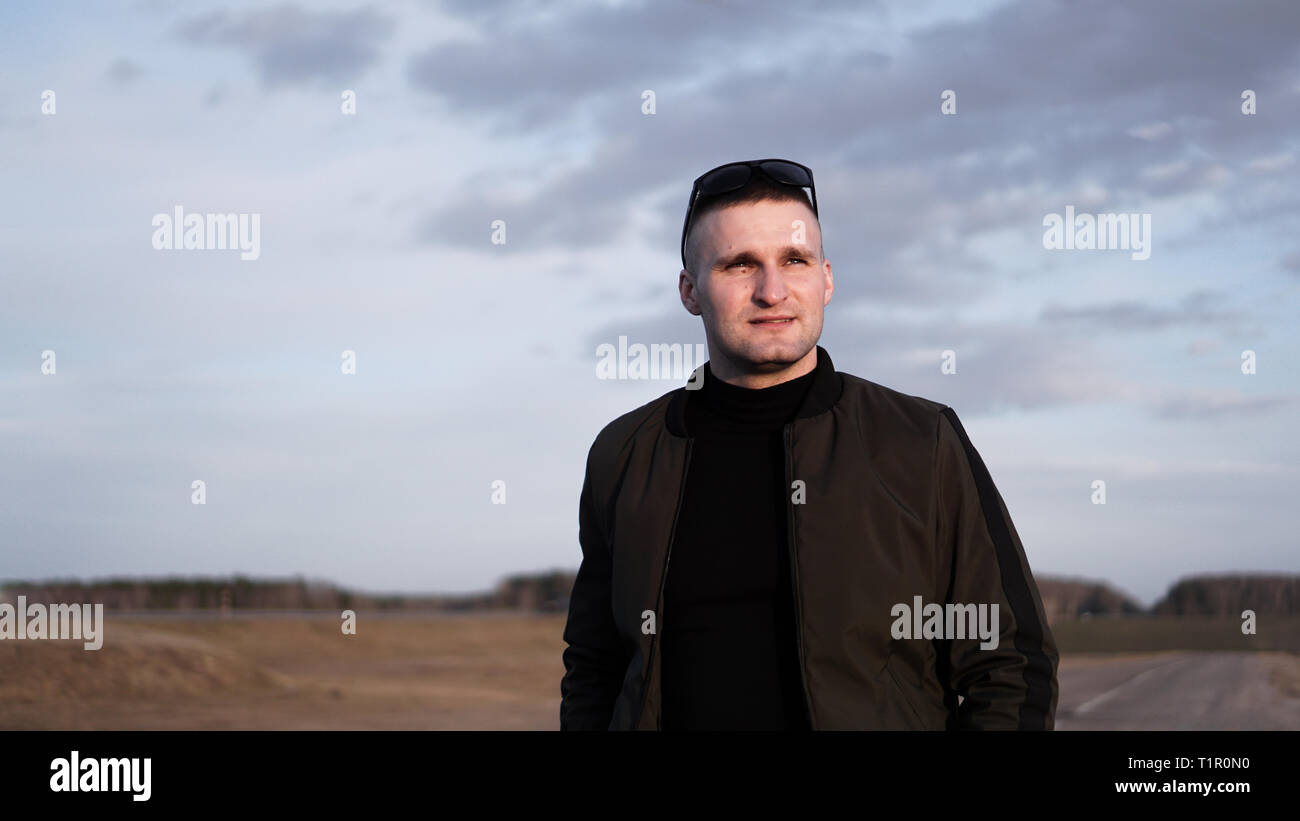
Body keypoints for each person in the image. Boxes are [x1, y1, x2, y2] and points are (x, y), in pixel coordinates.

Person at [560, 158, 1058, 730]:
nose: (772, 291)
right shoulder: (625, 453)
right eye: (739, 265)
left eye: (792, 261)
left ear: (825, 279)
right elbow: (594, 667)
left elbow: (1012, 664)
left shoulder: (921, 440)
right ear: (690, 290)